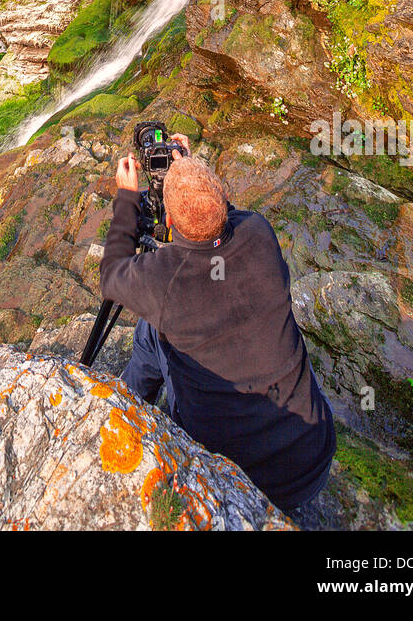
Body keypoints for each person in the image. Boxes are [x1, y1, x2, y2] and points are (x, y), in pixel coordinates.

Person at [100, 140, 336, 517]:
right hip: (312, 460)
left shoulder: (163, 281)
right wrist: (190, 170)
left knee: (150, 331)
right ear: (222, 199)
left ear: (170, 222)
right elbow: (222, 217)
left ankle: (127, 408)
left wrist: (127, 199)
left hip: (228, 475)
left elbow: (111, 274)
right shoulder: (259, 233)